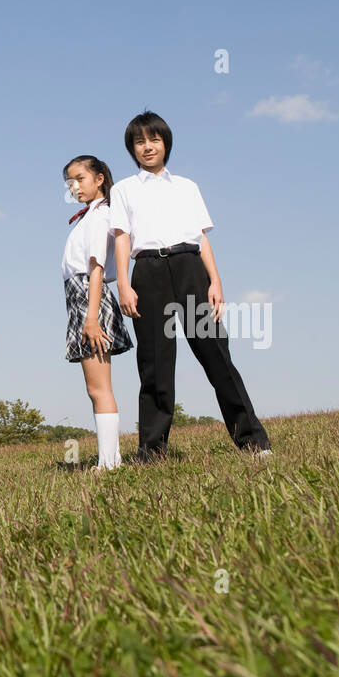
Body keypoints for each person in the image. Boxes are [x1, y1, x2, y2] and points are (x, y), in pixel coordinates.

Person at [110, 110, 272, 463]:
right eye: (139, 142)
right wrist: (123, 283)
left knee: (216, 354)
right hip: (148, 272)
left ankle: (254, 442)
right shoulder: (123, 190)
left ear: (166, 143)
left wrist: (215, 281)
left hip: (190, 270)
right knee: (154, 363)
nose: (147, 147)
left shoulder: (187, 186)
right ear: (132, 149)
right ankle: (152, 452)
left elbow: (200, 237)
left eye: (154, 139)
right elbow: (122, 238)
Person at [61, 154, 134, 469]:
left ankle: (110, 461)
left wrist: (91, 318)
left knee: (99, 386)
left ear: (100, 178)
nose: (75, 186)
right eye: (70, 182)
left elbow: (96, 267)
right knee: (95, 387)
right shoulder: (89, 215)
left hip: (91, 298)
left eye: (80, 178)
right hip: (80, 297)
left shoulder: (101, 215)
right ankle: (109, 459)